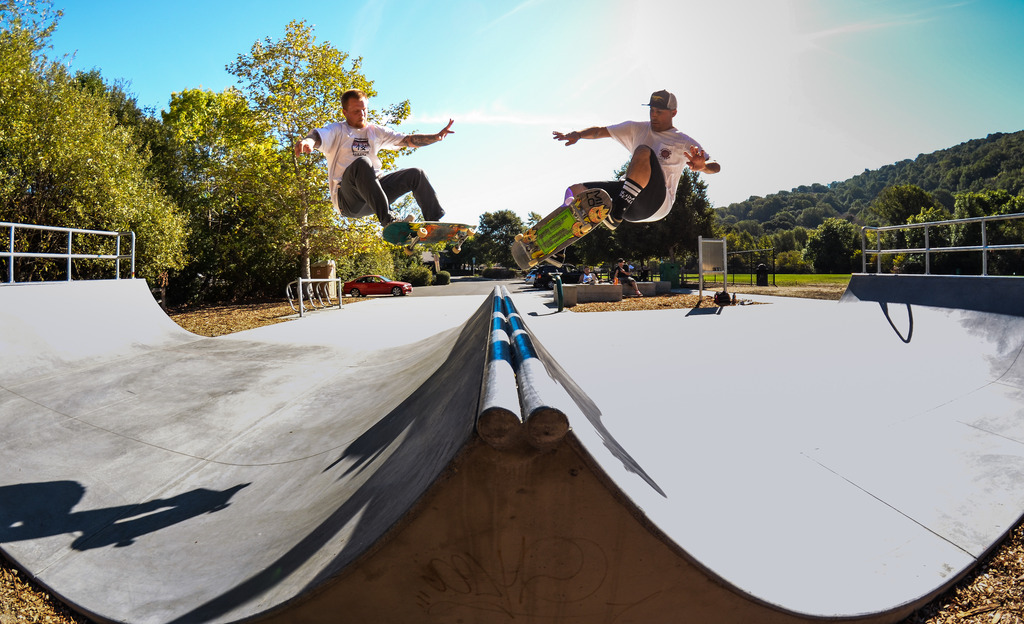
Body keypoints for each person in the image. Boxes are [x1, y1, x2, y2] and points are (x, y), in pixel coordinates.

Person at [552, 89, 719, 229]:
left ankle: (616, 213)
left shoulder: (683, 141)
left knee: (643, 151)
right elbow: (601, 131)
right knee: (575, 191)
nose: (654, 115)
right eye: (651, 110)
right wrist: (579, 135)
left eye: (659, 112)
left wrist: (702, 166)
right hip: (630, 202)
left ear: (673, 113)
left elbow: (715, 166)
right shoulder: (636, 128)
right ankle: (557, 243)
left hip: (657, 202)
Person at [294, 89, 455, 226]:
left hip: (375, 196)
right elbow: (317, 135)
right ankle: (389, 221)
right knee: (363, 162)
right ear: (345, 112)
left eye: (364, 109)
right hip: (349, 201)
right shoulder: (337, 130)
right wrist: (308, 141)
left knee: (416, 174)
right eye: (356, 111)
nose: (362, 114)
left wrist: (436, 137)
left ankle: (433, 224)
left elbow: (408, 140)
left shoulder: (375, 131)